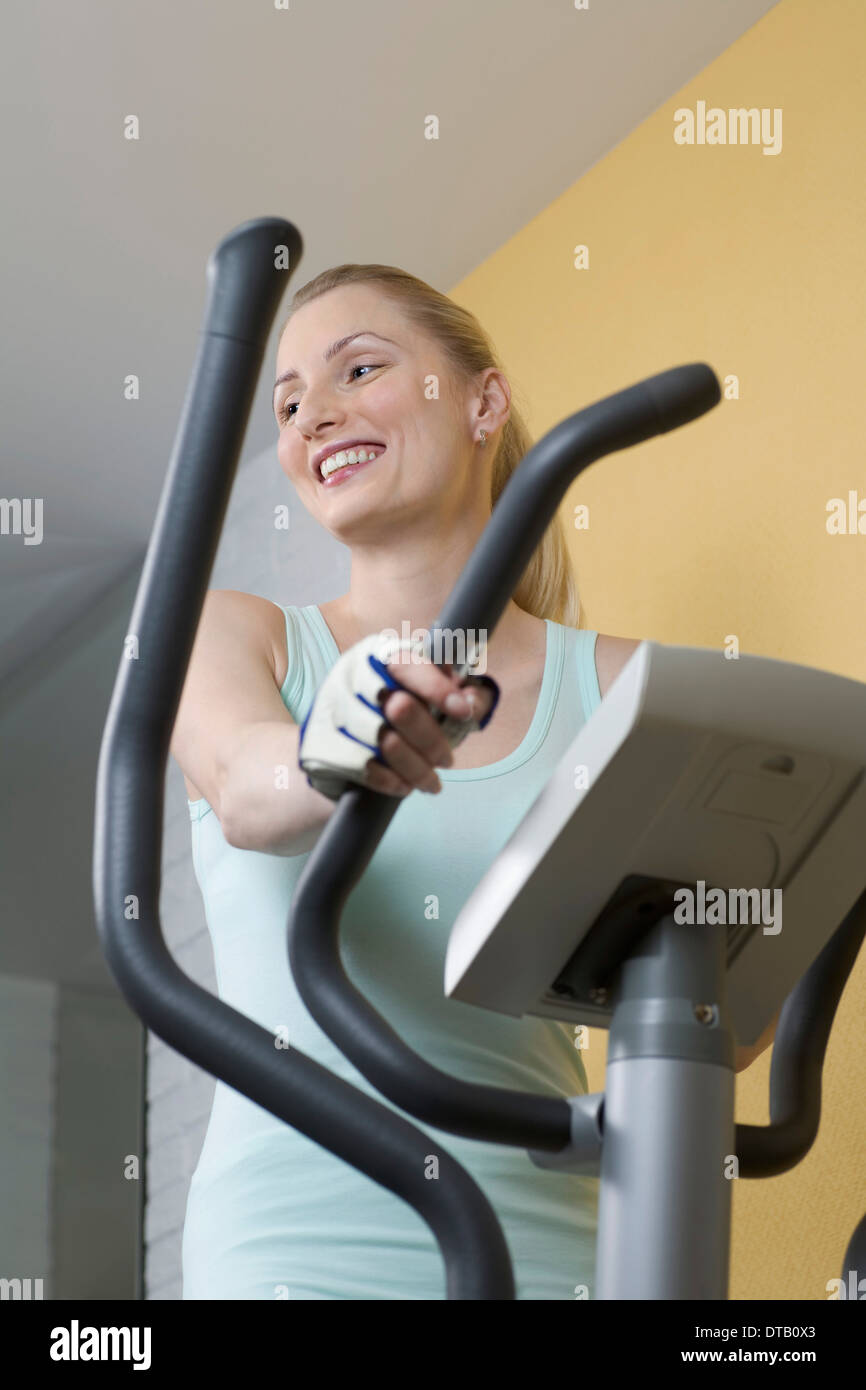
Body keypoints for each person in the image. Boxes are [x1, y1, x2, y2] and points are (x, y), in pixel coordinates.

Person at [170, 261, 645, 1300]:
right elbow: (248, 787)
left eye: (358, 370)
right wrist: (329, 743)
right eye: (289, 401)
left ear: (482, 401)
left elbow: (705, 1012)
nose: (313, 417)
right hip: (290, 1249)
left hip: (552, 1244)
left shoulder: (620, 689)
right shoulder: (232, 634)